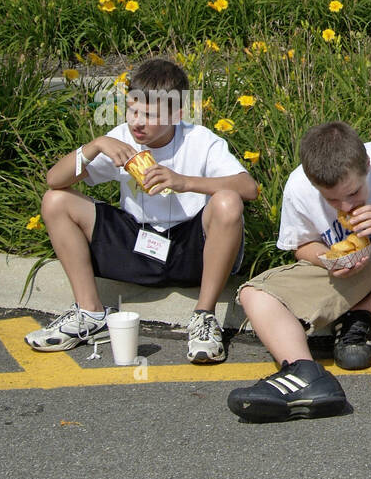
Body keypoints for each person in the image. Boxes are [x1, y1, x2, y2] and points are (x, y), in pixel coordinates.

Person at [227, 120, 371, 422]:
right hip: (345, 271)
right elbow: (301, 246)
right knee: (254, 295)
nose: (346, 205)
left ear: (366, 165)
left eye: (353, 193)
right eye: (331, 200)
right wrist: (327, 259)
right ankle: (304, 373)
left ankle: (359, 314)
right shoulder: (299, 186)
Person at [26, 57, 256, 363]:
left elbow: (248, 188)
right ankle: (90, 313)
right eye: (132, 110)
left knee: (228, 201)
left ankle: (204, 316)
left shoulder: (200, 141)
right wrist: (94, 146)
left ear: (177, 114)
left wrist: (184, 182)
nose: (137, 122)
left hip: (191, 249)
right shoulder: (120, 138)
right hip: (137, 244)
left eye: (148, 115)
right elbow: (54, 180)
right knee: (55, 200)